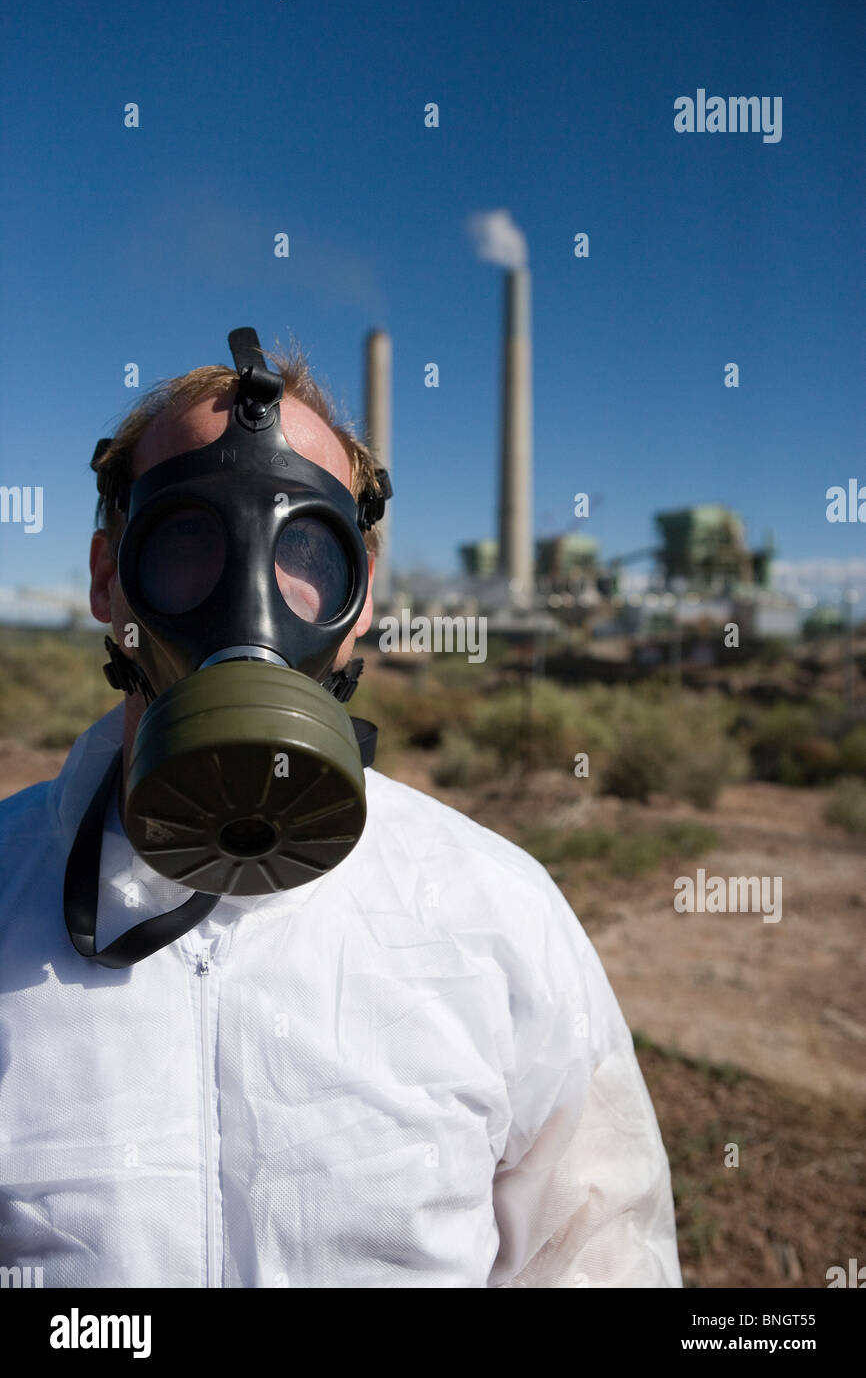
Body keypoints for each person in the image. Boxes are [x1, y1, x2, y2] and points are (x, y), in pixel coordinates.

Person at [0, 329, 682, 1289]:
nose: (250, 603)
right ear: (111, 579)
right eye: (190, 540)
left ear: (358, 601)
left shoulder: (497, 914)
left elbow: (602, 1260)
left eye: (306, 552)